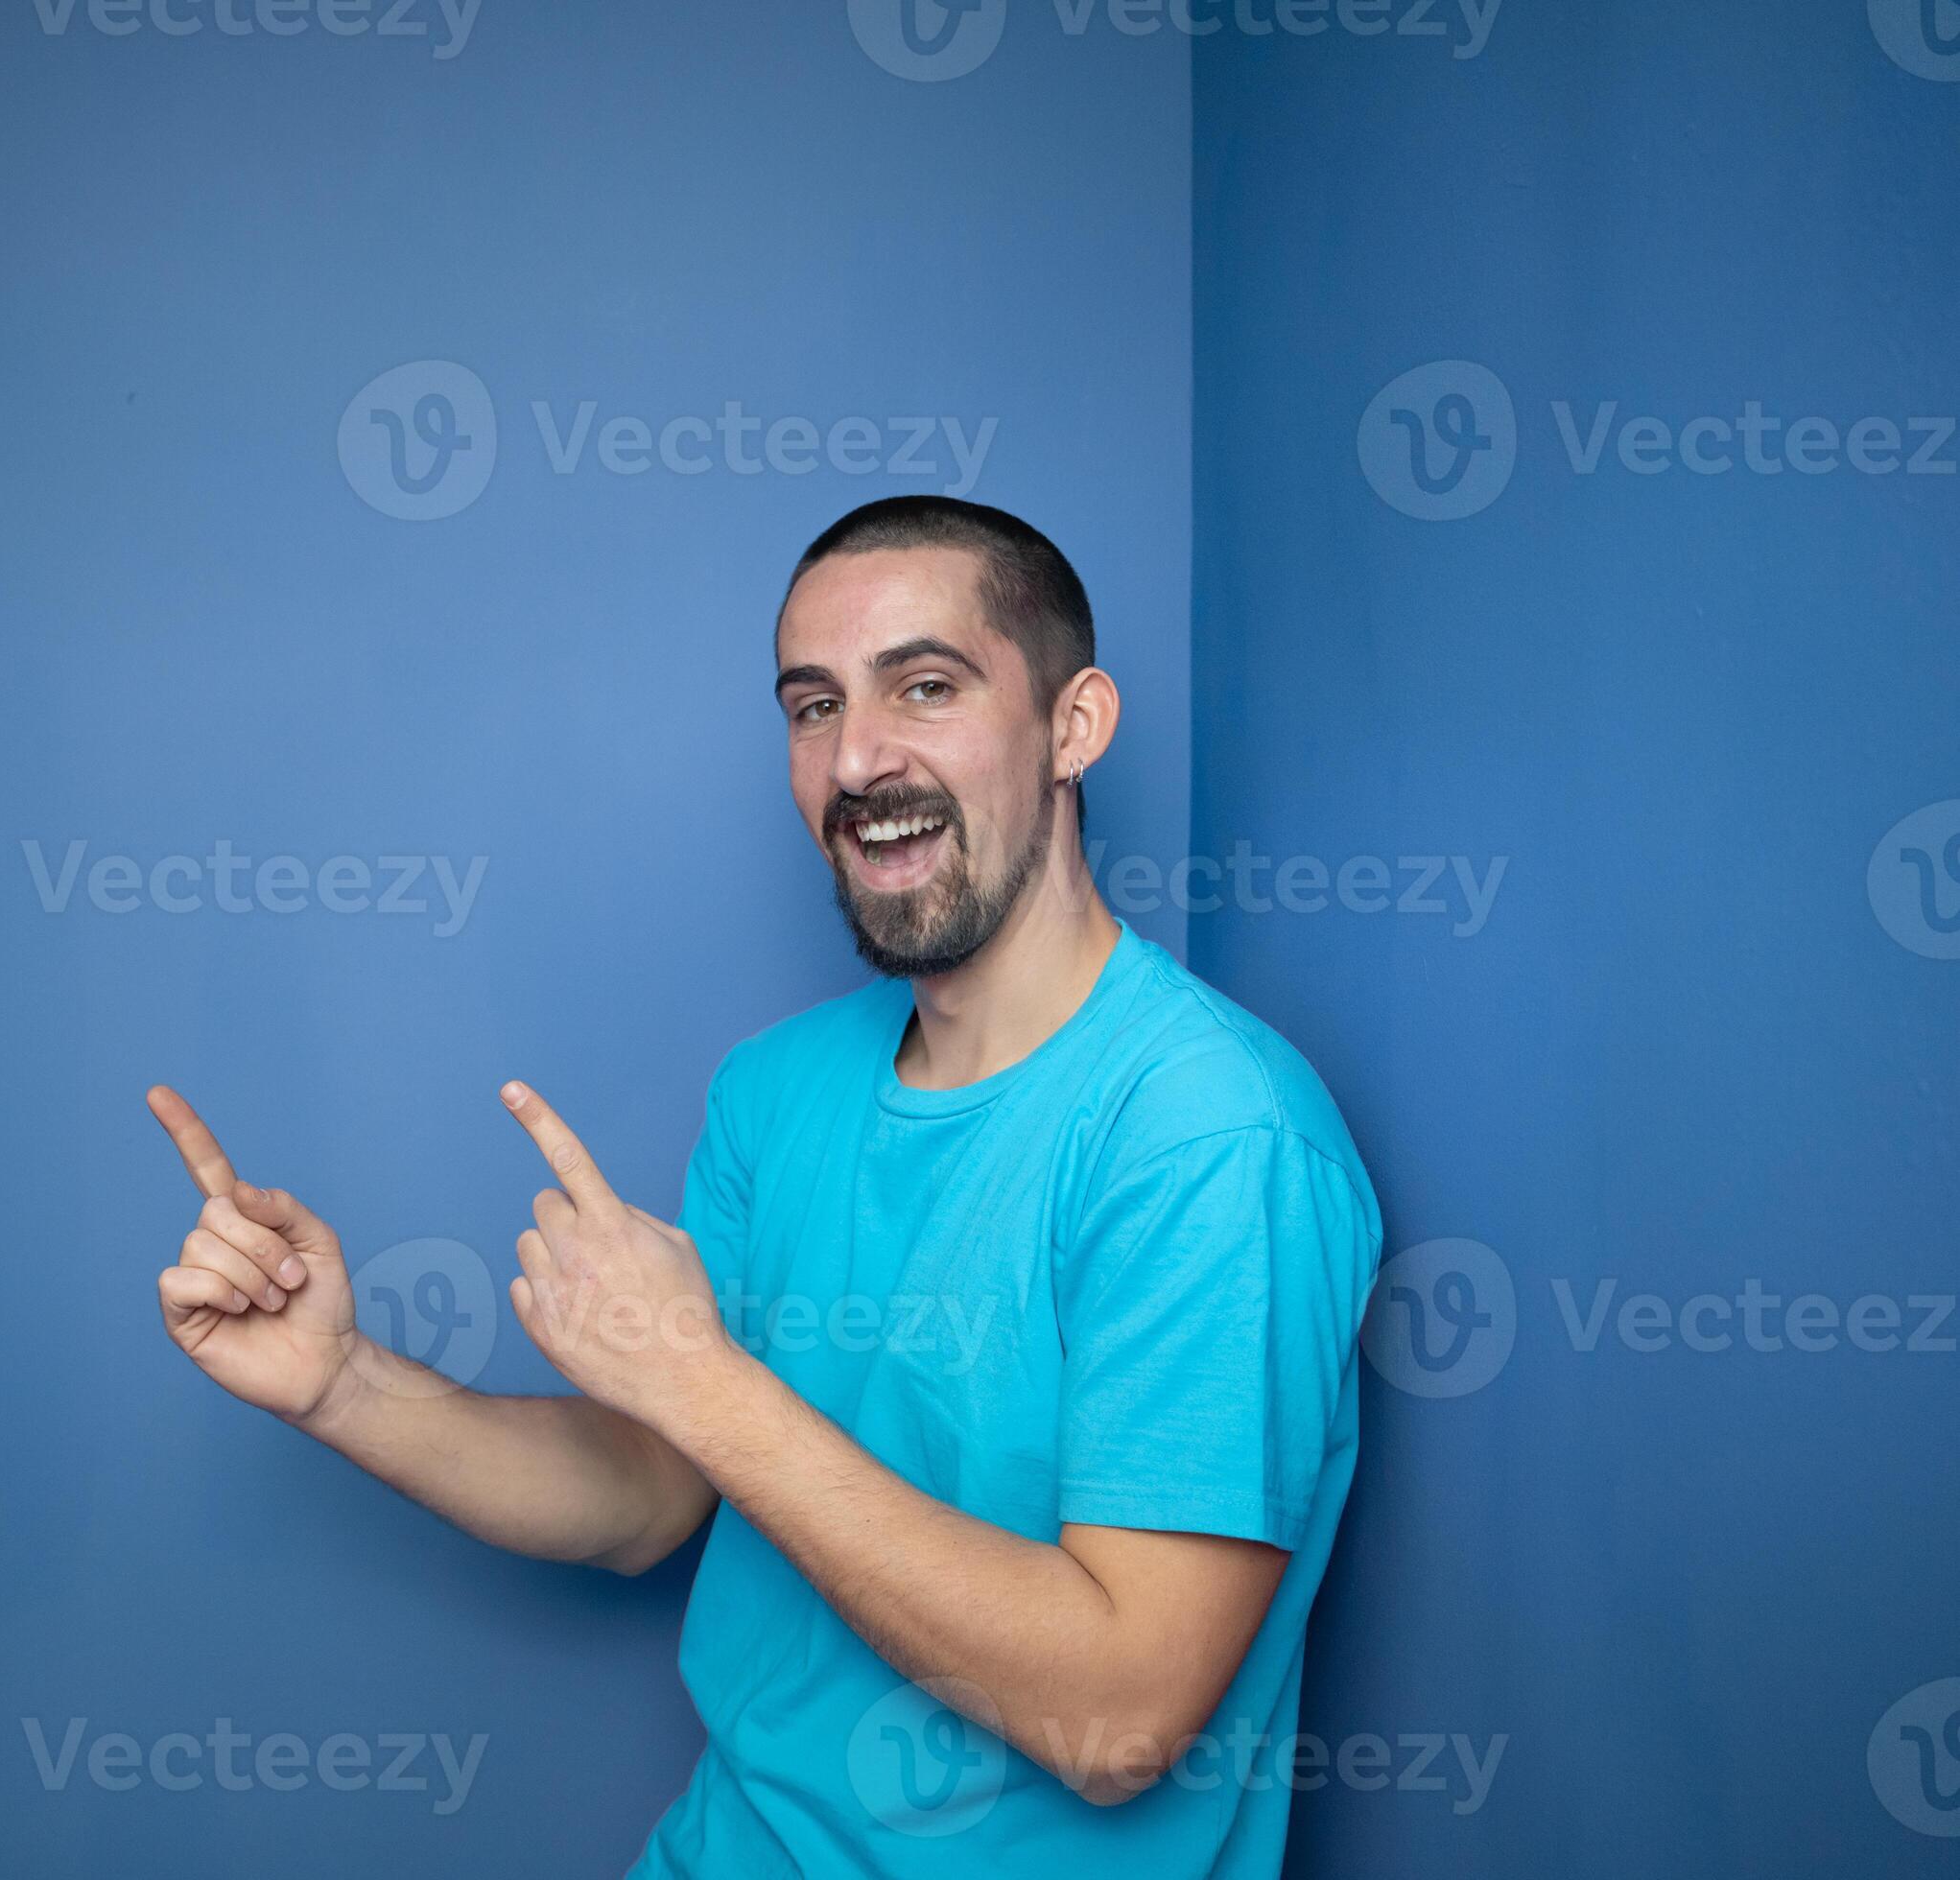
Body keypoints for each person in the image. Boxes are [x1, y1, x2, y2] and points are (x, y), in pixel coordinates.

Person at [146, 495, 1381, 1877]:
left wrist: (701, 1383)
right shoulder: (774, 1089)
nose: (859, 759)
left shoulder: (1210, 1139)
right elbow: (652, 1494)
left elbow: (1120, 1716)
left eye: (927, 686)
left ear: (1075, 726)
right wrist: (342, 1384)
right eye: (812, 706)